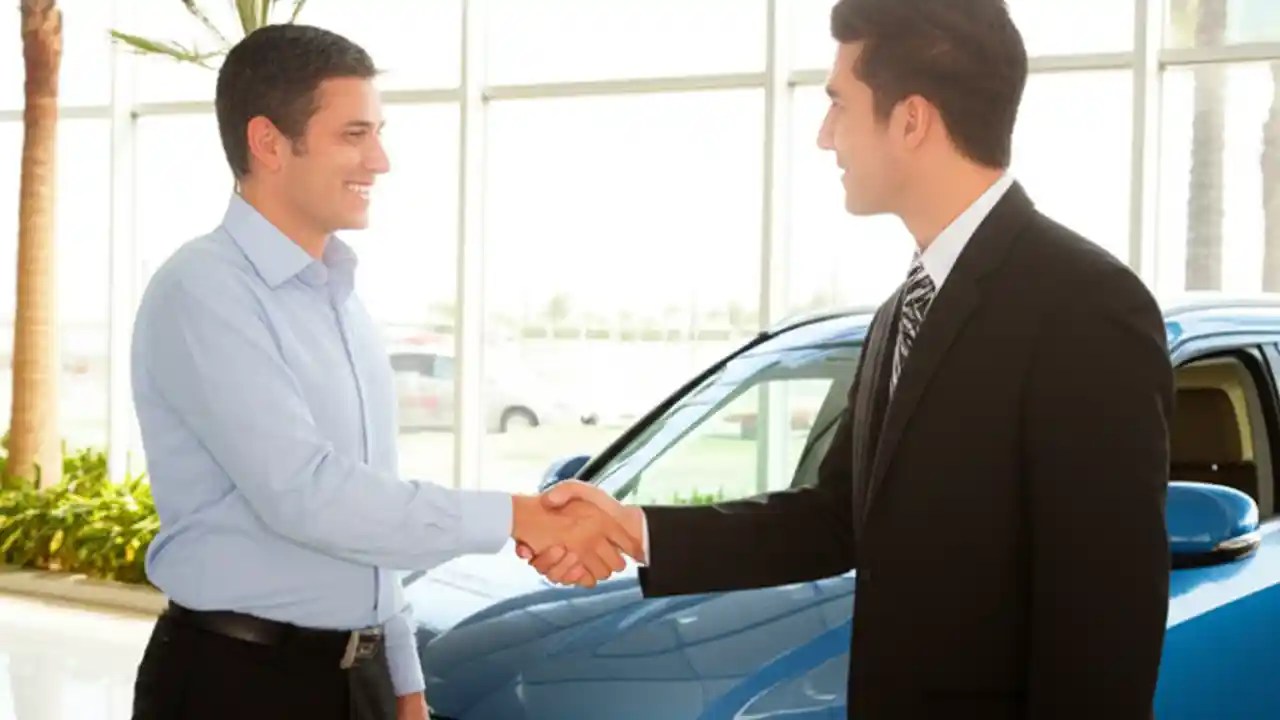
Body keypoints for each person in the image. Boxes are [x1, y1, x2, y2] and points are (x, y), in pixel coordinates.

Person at [520, 0, 1174, 718]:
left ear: (912, 120)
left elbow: (1105, 627)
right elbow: (835, 520)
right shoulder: (903, 312)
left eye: (838, 105)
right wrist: (632, 528)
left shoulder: (1086, 307)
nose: (825, 136)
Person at [128, 24, 636, 720]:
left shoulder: (340, 300)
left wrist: (401, 673)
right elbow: (307, 495)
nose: (381, 160)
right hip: (238, 685)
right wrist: (519, 516)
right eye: (354, 134)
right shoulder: (203, 291)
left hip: (355, 679)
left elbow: (374, 498)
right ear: (269, 142)